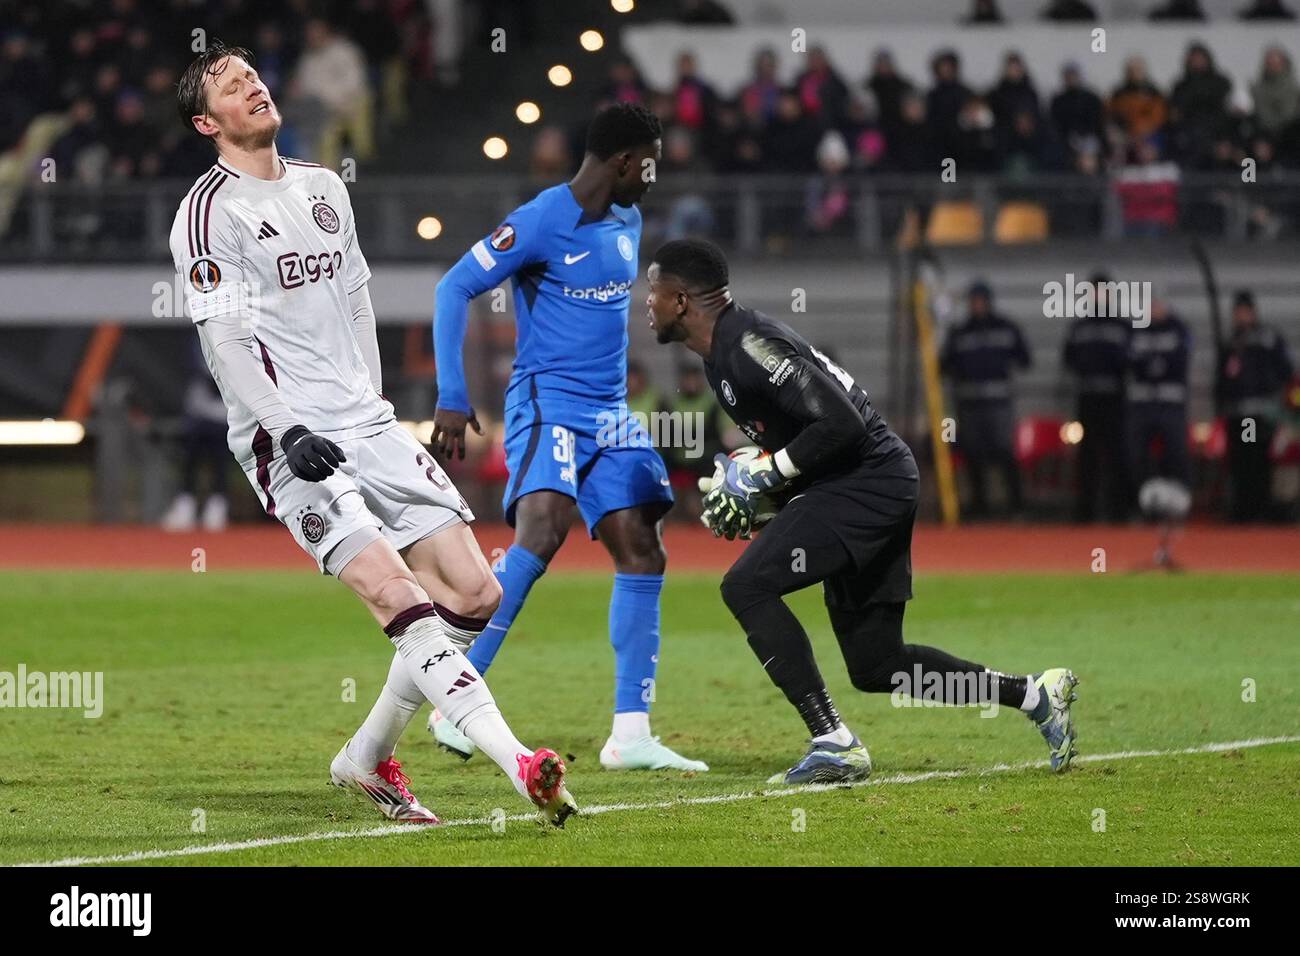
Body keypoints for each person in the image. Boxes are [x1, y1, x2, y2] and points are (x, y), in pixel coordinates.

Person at [169, 43, 575, 827]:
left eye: (253, 73)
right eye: (230, 84)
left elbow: (357, 299)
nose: (252, 84)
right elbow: (226, 342)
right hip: (288, 439)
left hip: (366, 421)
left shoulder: (324, 187)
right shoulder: (208, 213)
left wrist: (372, 399)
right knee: (400, 596)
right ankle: (520, 762)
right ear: (205, 122)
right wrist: (286, 429)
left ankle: (365, 756)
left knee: (474, 592)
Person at [646, 238, 1078, 783]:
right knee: (878, 665)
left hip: (866, 482)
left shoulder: (749, 345)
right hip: (869, 482)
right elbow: (813, 440)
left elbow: (842, 425)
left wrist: (764, 474)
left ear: (681, 300)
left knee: (746, 587)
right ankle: (1036, 695)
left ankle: (834, 742)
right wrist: (764, 503)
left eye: (653, 293)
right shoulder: (723, 354)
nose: (648, 304)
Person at [430, 104, 707, 772]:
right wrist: (451, 395)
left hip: (609, 412)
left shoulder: (629, 221)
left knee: (642, 547)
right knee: (543, 530)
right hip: (547, 403)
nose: (655, 173)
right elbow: (453, 287)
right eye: (650, 160)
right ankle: (452, 697)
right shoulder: (541, 221)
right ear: (621, 161)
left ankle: (631, 734)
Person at [940, 281, 1032, 518]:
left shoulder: (1005, 328)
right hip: (970, 403)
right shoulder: (960, 333)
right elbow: (944, 365)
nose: (977, 305)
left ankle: (1016, 506)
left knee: (1004, 451)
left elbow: (1024, 359)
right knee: (973, 454)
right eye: (974, 301)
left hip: (998, 403)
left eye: (981, 300)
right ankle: (980, 507)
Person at [1218, 291, 1295, 521]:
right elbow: (1222, 378)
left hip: (1256, 415)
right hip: (1237, 413)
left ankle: (1257, 509)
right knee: (1240, 460)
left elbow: (1285, 370)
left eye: (1244, 312)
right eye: (1237, 312)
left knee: (1255, 458)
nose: (1241, 317)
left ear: (1253, 313)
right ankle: (1244, 509)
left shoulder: (1267, 338)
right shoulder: (1232, 342)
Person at [1063, 273, 1133, 522]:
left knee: (1117, 455)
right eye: (1095, 292)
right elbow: (1069, 359)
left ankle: (1119, 512)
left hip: (1114, 397)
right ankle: (1085, 512)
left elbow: (1131, 361)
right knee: (1087, 457)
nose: (1099, 296)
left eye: (1103, 292)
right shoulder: (1080, 327)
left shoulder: (1122, 326)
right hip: (1088, 397)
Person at [1127, 291, 1192, 490]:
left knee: (1175, 453)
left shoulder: (1178, 329)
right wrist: (1156, 364)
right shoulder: (1136, 329)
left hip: (1171, 403)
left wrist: (1152, 365)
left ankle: (1177, 499)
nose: (1154, 309)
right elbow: (1130, 359)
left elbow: (1179, 361)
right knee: (1135, 454)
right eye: (1151, 305)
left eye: (1158, 305)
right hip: (1141, 403)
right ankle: (1141, 501)